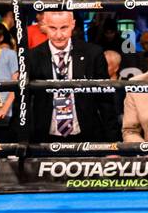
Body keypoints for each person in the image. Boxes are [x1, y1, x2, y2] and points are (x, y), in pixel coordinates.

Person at [26, 9, 120, 142]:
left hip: (87, 135)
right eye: (53, 28)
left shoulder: (93, 54)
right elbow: (23, 102)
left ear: (73, 25)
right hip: (44, 136)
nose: (59, 35)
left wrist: (113, 145)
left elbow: (105, 101)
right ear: (44, 26)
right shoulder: (32, 57)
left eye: (64, 28)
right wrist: (19, 142)